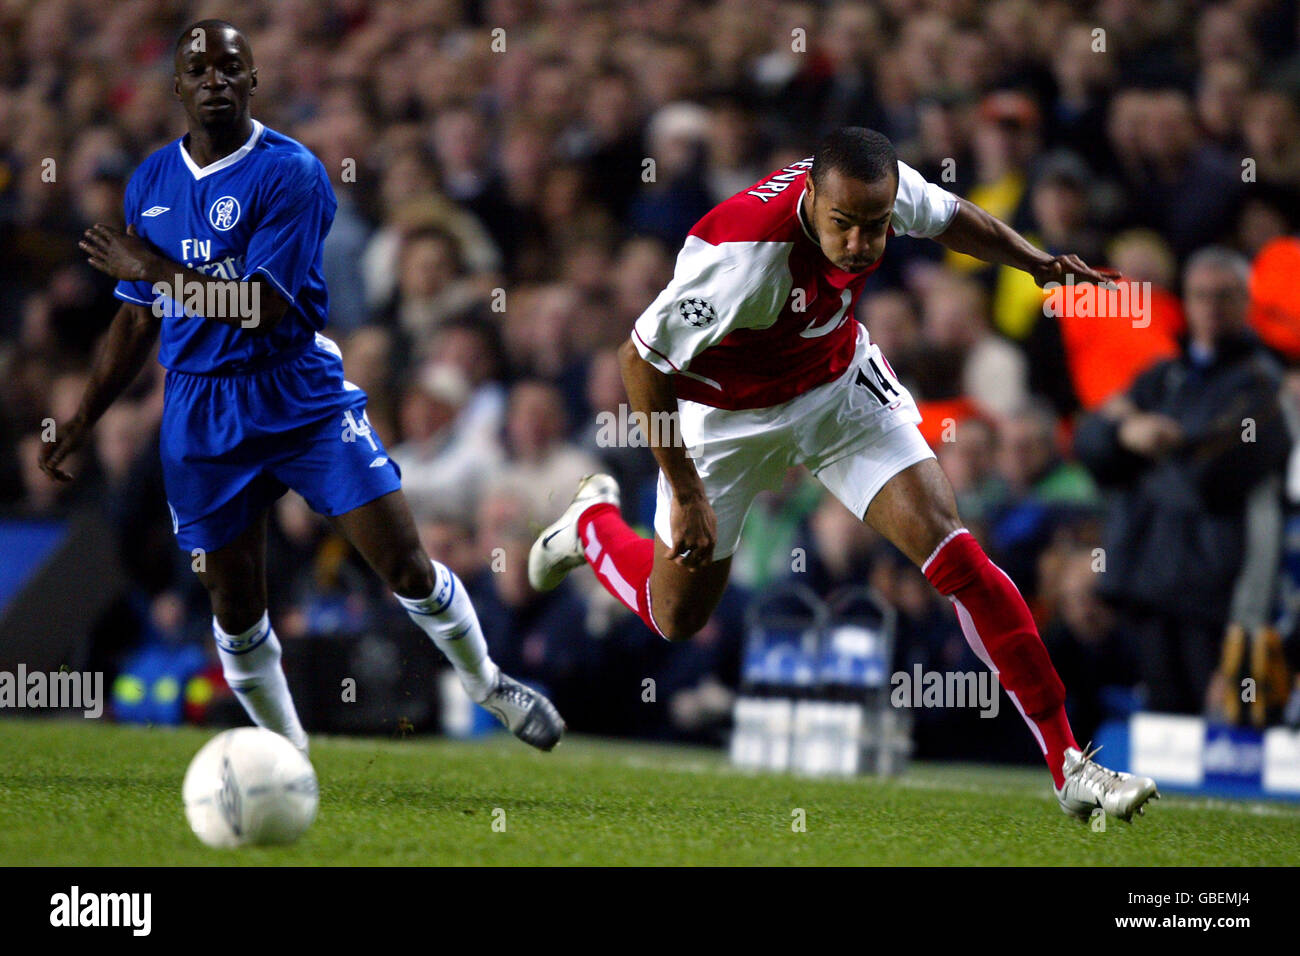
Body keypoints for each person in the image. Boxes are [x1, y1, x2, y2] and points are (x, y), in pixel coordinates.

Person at [530, 127, 1157, 819]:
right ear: (809, 196)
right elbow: (637, 361)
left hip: (838, 391)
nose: (860, 244)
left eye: (875, 228)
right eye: (844, 227)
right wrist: (684, 490)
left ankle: (1069, 764)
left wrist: (1036, 263)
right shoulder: (740, 258)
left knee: (956, 554)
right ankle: (591, 522)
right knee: (677, 616)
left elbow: (955, 220)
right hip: (724, 423)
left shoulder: (872, 185)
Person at [39, 20, 563, 753]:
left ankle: (489, 683)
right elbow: (135, 322)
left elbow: (261, 306)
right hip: (198, 405)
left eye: (231, 67)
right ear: (178, 86)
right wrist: (84, 416)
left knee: (403, 561)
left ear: (253, 81)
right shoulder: (152, 181)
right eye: (198, 69)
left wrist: (151, 268)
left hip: (297, 391)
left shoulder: (291, 172)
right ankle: (290, 756)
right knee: (233, 603)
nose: (215, 80)